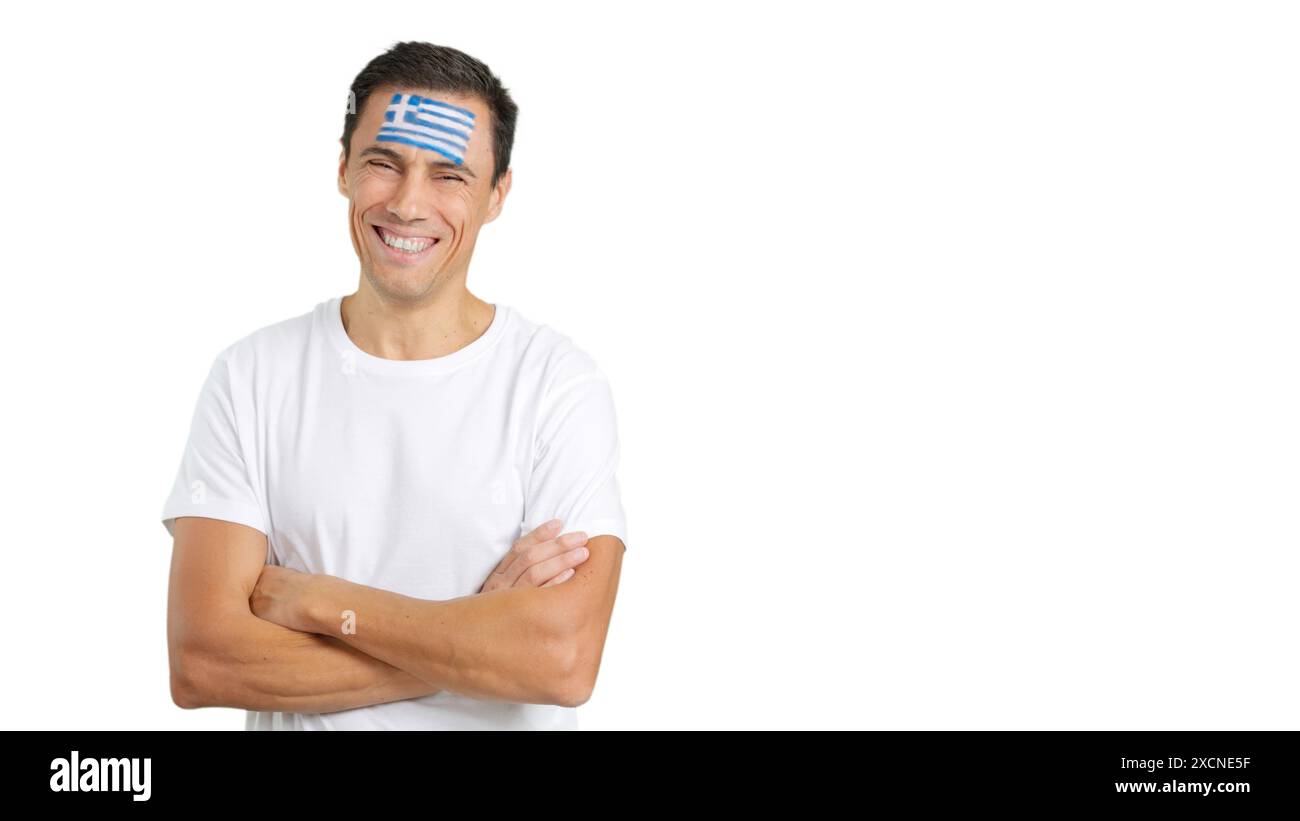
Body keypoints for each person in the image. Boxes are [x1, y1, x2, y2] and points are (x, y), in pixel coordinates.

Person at [160, 41, 628, 730]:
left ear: (497, 194)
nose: (409, 205)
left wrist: (323, 603)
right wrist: (477, 636)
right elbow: (203, 662)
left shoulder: (557, 385)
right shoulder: (252, 376)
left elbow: (562, 660)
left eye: (449, 176)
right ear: (344, 167)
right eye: (384, 163)